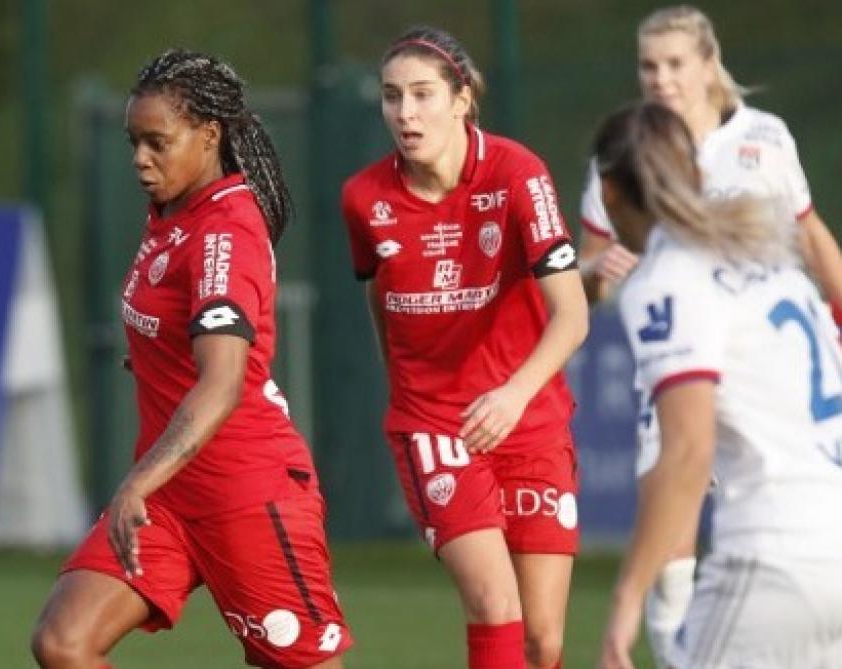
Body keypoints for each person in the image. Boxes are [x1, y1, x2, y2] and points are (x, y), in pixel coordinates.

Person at [29, 50, 352, 669]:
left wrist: (136, 483)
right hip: (171, 497)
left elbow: (222, 384)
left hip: (245, 491)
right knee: (64, 643)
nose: (140, 158)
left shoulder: (225, 230)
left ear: (209, 136)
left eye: (158, 142)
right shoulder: (172, 212)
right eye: (134, 142)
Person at [575, 6, 842, 664]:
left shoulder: (667, 277)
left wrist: (623, 601)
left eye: (675, 62)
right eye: (650, 64)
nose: (661, 77)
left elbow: (689, 451)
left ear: (613, 193)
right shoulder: (774, 268)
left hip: (775, 555)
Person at [340, 26, 588, 669]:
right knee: (494, 605)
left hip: (528, 420)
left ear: (462, 100)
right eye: (392, 96)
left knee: (542, 640)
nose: (405, 113)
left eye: (423, 94)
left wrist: (513, 395)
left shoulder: (518, 173)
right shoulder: (363, 197)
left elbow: (572, 315)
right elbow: (378, 294)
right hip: (435, 425)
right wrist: (406, 389)